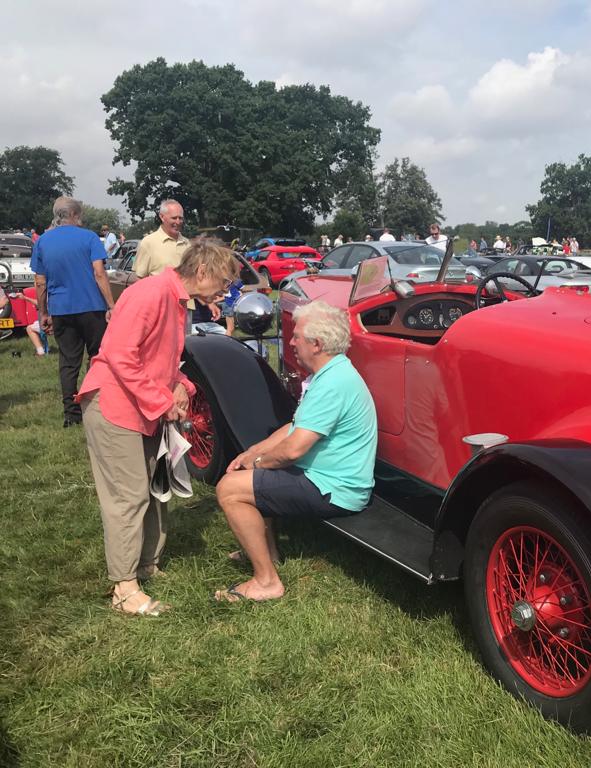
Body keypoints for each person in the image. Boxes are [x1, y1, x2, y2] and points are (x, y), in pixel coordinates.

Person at [78, 238, 238, 616]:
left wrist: (181, 386)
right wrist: (163, 400)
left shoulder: (177, 300)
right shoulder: (150, 292)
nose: (226, 290)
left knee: (153, 488)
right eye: (224, 282)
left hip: (142, 406)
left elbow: (161, 357)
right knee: (128, 497)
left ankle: (147, 563)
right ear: (202, 272)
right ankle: (125, 587)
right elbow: (119, 354)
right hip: (115, 406)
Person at [213, 300, 377, 602]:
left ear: (316, 344)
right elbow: (295, 427)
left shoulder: (333, 383)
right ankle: (268, 554)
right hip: (327, 478)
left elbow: (293, 450)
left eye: (296, 336)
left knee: (229, 490)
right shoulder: (332, 372)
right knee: (255, 475)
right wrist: (252, 453)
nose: (290, 341)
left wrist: (258, 463)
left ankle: (266, 582)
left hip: (335, 488)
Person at [30, 196, 115, 427]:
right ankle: (100, 404)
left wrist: (44, 313)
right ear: (75, 215)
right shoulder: (89, 237)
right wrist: (111, 305)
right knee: (98, 357)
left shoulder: (43, 241)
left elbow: (40, 282)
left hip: (61, 309)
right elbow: (99, 273)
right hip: (92, 307)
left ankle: (71, 414)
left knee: (68, 361)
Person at [135, 200, 189, 278]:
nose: (178, 222)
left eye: (180, 218)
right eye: (174, 218)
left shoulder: (187, 244)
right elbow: (139, 278)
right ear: (162, 217)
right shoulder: (149, 243)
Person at [13, 287, 46, 354]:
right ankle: (45, 348)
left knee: (29, 328)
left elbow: (40, 303)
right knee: (36, 323)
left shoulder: (46, 292)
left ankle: (40, 352)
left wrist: (25, 298)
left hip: (53, 322)